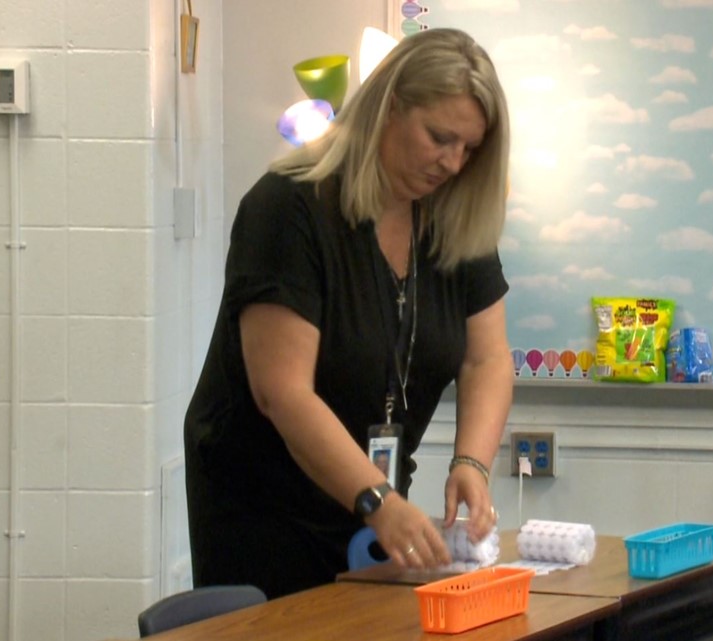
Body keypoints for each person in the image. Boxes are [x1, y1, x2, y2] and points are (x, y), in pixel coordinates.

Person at [184, 27, 514, 599]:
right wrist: (375, 498)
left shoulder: (451, 221)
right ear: (388, 107)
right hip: (266, 508)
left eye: (469, 148)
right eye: (440, 137)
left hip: (374, 502)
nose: (453, 163)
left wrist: (472, 464)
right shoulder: (287, 207)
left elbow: (487, 359)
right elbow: (282, 392)